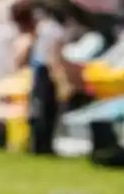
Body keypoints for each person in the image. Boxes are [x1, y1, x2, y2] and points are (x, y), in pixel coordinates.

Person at [25, 0, 70, 155]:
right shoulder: (57, 31)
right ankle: (45, 146)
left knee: (38, 109)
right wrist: (62, 81)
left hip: (38, 69)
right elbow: (54, 58)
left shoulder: (43, 27)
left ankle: (36, 145)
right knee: (48, 110)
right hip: (48, 71)